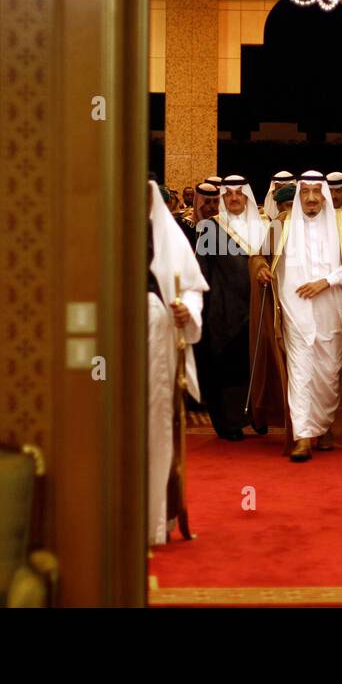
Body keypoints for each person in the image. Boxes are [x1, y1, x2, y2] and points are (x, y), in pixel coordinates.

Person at [248, 172, 342, 461]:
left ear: (324, 194)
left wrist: (326, 281)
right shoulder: (282, 224)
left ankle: (323, 428)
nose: (311, 198)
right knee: (300, 371)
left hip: (331, 310)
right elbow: (259, 256)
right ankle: (302, 437)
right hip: (293, 310)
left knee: (328, 373)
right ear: (298, 195)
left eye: (316, 192)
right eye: (305, 192)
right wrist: (261, 269)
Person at [146, 180, 208, 545]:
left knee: (156, 422)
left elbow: (190, 286)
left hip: (159, 334)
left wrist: (189, 311)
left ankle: (153, 521)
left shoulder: (168, 234)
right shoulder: (100, 224)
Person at [191, 174, 265, 440]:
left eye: (239, 194)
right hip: (223, 309)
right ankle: (229, 421)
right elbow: (201, 271)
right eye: (229, 194)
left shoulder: (263, 227)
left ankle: (256, 414)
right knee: (227, 366)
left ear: (247, 196)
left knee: (254, 363)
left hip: (257, 307)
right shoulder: (211, 228)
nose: (234, 198)